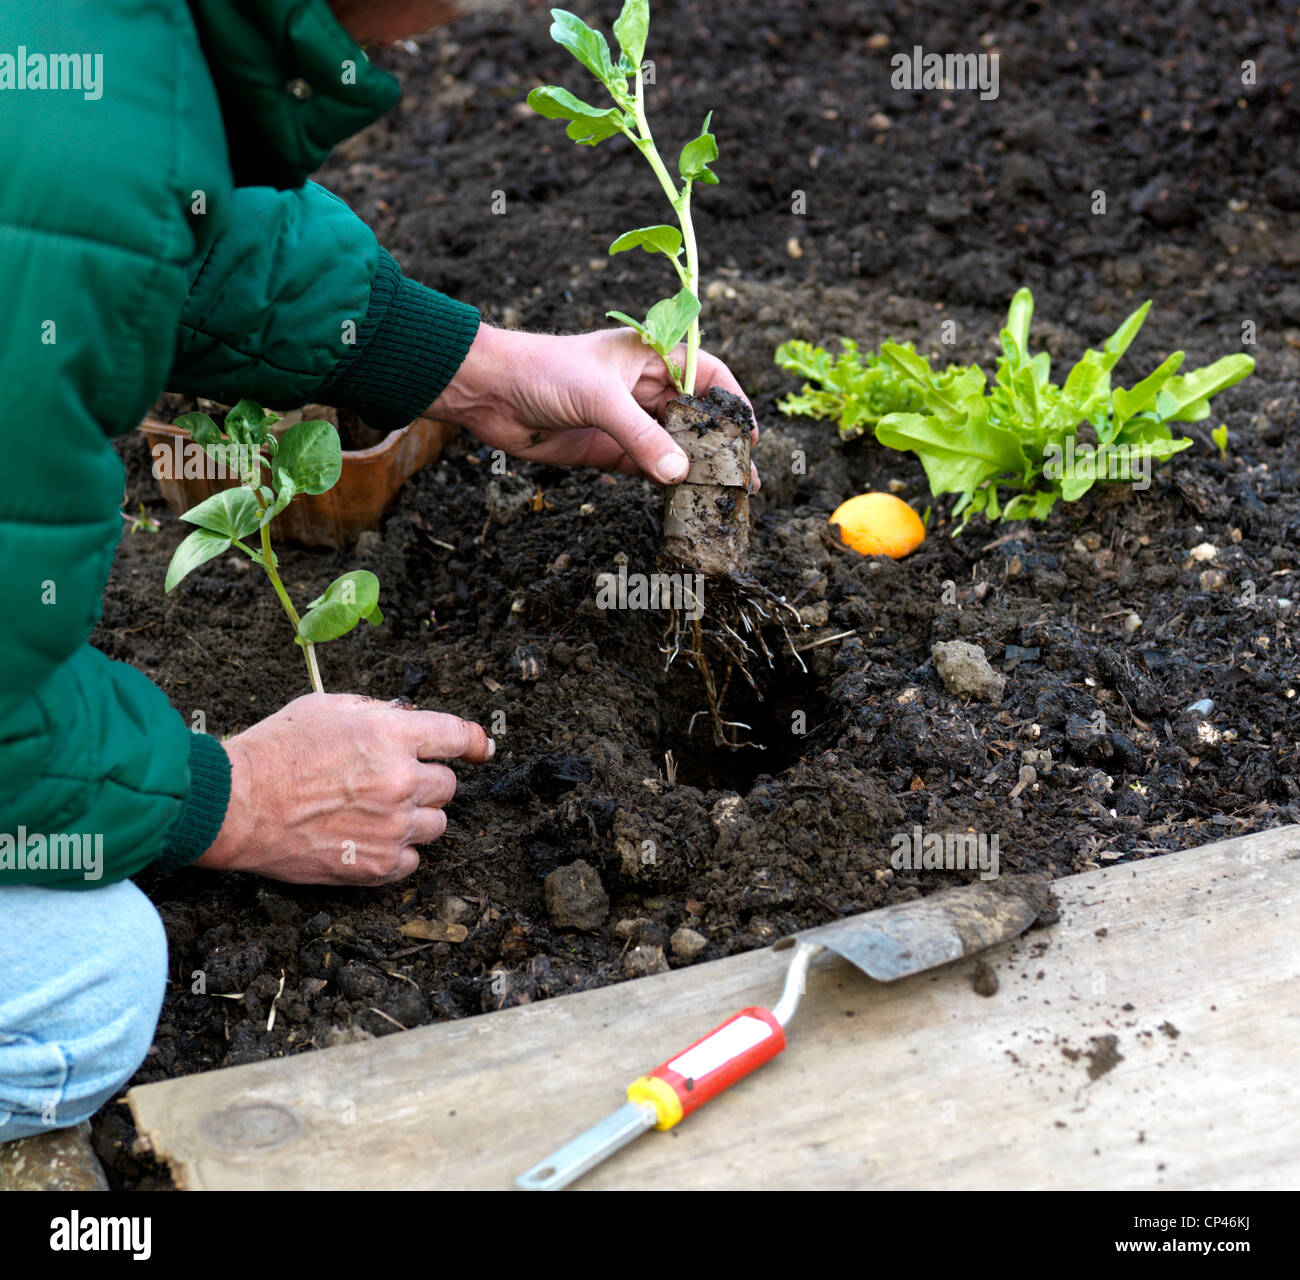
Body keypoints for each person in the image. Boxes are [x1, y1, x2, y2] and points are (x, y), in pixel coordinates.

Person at [0, 0, 753, 1147]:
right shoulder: (78, 148)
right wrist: (230, 794)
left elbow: (132, 228)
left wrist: (476, 367)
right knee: (82, 987)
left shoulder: (103, 78)